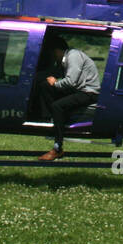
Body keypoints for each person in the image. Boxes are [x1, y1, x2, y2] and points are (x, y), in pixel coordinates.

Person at [35, 33, 100, 161]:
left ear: (57, 51)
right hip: (79, 90)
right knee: (45, 85)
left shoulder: (73, 56)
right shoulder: (67, 59)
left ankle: (57, 148)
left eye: (53, 54)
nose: (53, 58)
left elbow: (71, 81)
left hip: (89, 93)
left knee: (57, 106)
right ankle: (52, 118)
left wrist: (55, 83)